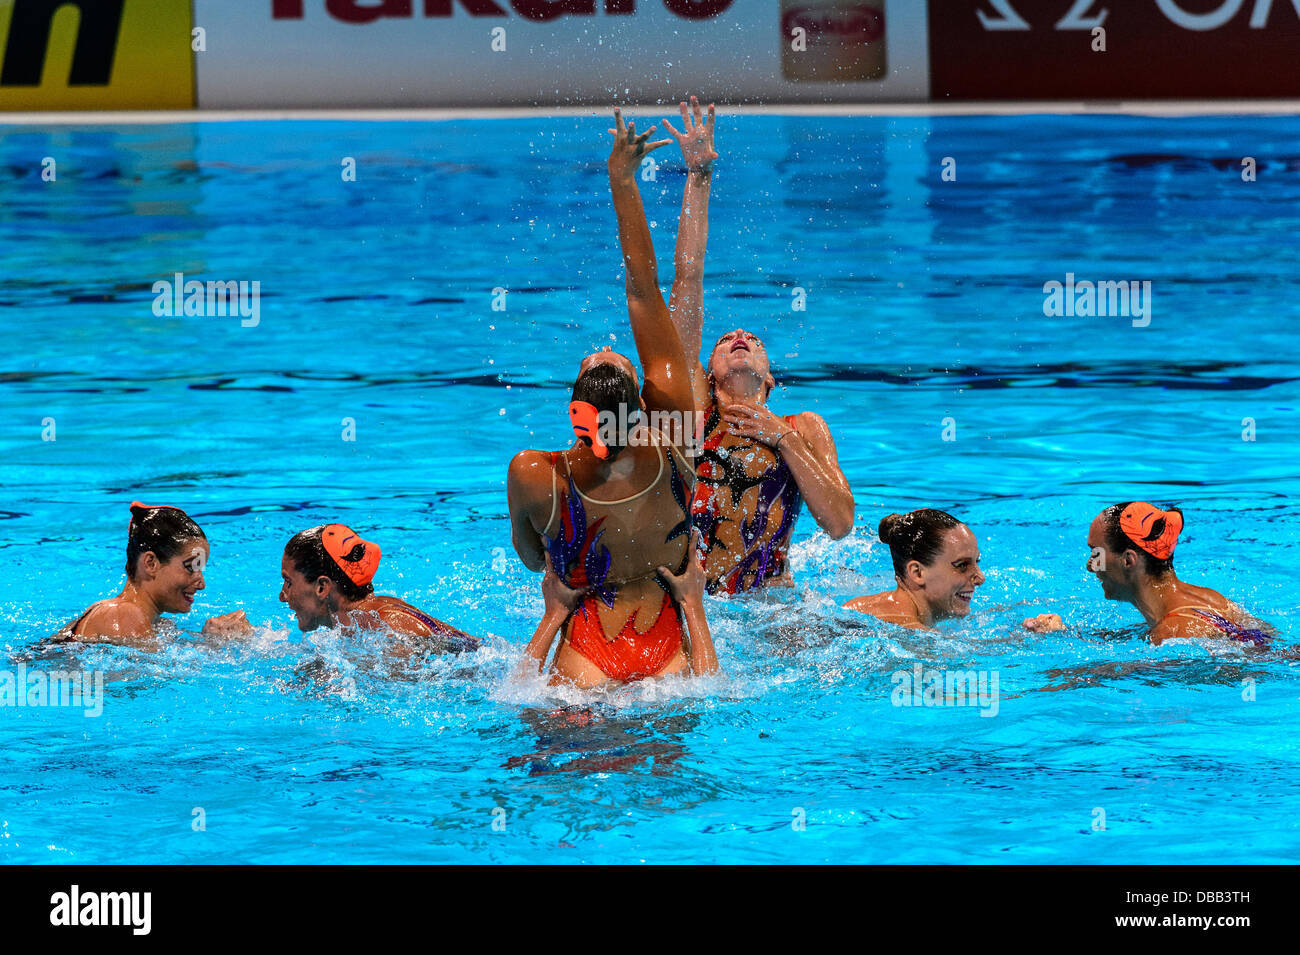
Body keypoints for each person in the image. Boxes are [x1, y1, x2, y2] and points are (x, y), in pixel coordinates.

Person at [506, 108, 710, 687]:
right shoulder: (674, 435)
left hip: (585, 640)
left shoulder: (534, 473)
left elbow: (530, 558)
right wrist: (627, 182)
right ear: (642, 406)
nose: (605, 345)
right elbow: (644, 289)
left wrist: (617, 175)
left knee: (561, 767)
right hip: (667, 631)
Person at [653, 96, 854, 594]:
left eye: (753, 341)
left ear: (771, 376)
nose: (739, 337)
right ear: (707, 370)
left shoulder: (802, 427)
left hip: (770, 610)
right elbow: (687, 280)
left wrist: (781, 439)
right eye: (725, 340)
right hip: (695, 603)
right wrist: (698, 179)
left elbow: (839, 522)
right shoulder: (691, 413)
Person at [1075, 501, 1272, 645]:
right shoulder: (1212, 599)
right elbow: (1269, 638)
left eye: (1096, 553)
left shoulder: (1170, 633)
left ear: (1128, 560)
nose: (1090, 565)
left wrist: (1070, 677)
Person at [55, 501, 248, 647]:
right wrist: (214, 646)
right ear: (151, 563)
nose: (201, 584)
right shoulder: (122, 614)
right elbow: (152, 682)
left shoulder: (160, 625)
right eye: (191, 568)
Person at [279, 524, 477, 656]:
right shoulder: (370, 616)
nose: (282, 596)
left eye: (288, 582)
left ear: (322, 587)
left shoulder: (379, 625)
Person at [844, 509, 985, 629]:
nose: (980, 578)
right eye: (962, 565)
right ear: (917, 572)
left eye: (976, 562)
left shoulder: (857, 607)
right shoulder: (914, 640)